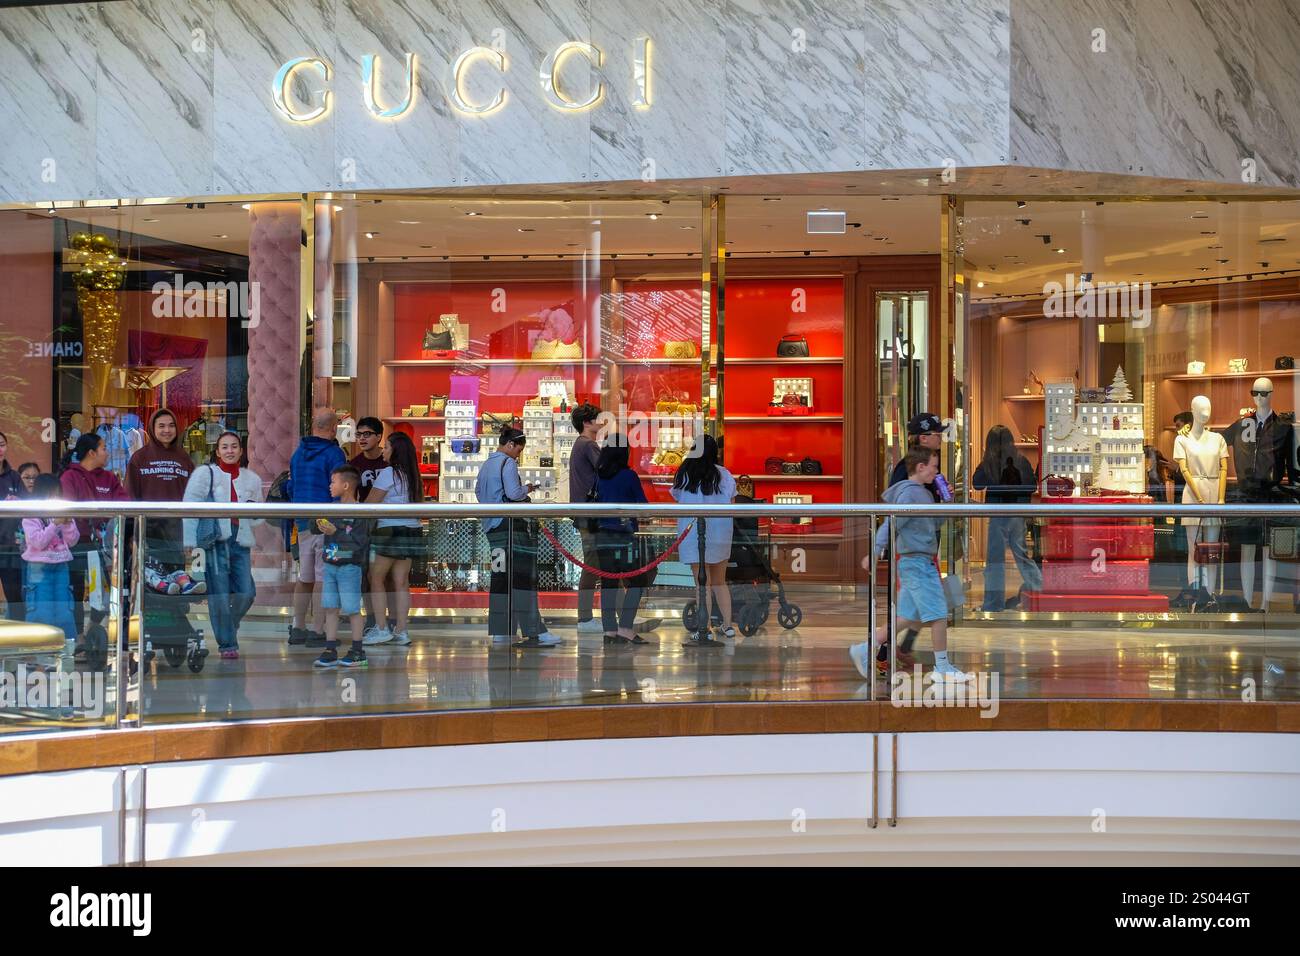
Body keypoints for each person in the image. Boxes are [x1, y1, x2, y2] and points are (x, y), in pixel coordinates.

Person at [851, 447, 970, 682]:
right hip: (917, 564)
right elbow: (891, 523)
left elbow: (933, 525)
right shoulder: (910, 494)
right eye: (934, 466)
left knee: (907, 618)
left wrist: (947, 503)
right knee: (937, 615)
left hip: (917, 563)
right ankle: (942, 667)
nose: (936, 472)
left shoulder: (922, 494)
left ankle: (863, 649)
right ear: (920, 467)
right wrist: (875, 551)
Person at [474, 426, 558, 647]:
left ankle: (502, 631)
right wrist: (527, 488)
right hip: (510, 526)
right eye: (519, 450)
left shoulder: (486, 464)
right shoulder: (507, 463)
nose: (518, 455)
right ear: (511, 444)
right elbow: (512, 493)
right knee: (522, 578)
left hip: (492, 527)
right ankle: (535, 631)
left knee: (501, 579)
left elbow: (478, 493)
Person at [183, 432, 264, 660]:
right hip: (215, 539)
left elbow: (259, 517)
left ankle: (227, 625)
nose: (229, 451)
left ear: (241, 451)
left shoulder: (252, 479)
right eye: (224, 447)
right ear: (217, 451)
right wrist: (189, 539)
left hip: (241, 539)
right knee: (219, 593)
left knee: (247, 592)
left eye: (234, 446)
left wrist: (252, 509)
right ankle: (227, 643)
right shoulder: (205, 474)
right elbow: (190, 505)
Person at [60, 431, 129, 647]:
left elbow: (124, 502)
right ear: (91, 453)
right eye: (103, 448)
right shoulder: (69, 477)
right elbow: (68, 511)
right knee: (77, 591)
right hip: (77, 544)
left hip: (105, 545)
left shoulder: (109, 478)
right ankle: (79, 637)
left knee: (103, 592)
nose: (107, 453)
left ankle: (92, 630)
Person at [286, 410, 346, 648]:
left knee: (305, 576)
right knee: (324, 577)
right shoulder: (334, 453)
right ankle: (318, 629)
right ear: (333, 428)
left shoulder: (298, 454)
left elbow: (291, 486)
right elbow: (341, 488)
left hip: (302, 522)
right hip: (327, 523)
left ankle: (298, 626)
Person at [671, 433, 738, 640]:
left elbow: (676, 497)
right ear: (714, 453)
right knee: (720, 582)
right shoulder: (724, 474)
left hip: (692, 533)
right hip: (721, 532)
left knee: (702, 584)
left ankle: (705, 628)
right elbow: (733, 505)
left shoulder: (685, 473)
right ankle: (727, 626)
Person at [126, 408, 198, 595]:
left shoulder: (184, 458)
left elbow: (193, 495)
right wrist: (132, 531)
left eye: (171, 425)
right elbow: (130, 496)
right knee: (153, 581)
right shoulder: (139, 458)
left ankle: (178, 619)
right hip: (147, 531)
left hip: (176, 531)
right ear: (152, 429)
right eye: (162, 426)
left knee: (177, 577)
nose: (167, 430)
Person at [971, 424, 1042, 611]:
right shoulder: (1021, 460)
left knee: (995, 561)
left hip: (998, 515)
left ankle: (993, 604)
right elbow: (1031, 487)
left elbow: (976, 484)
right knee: (1022, 556)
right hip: (1018, 514)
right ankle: (1039, 594)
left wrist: (986, 462)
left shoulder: (990, 464)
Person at [362, 431, 423, 647]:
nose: (383, 451)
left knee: (375, 577)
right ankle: (401, 630)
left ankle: (380, 628)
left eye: (386, 447)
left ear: (395, 451)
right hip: (412, 530)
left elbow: (370, 504)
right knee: (401, 581)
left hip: (389, 530)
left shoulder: (388, 473)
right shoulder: (413, 475)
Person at [592, 437, 650, 645]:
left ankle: (609, 630)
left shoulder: (600, 476)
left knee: (609, 582)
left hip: (601, 535)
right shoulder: (629, 476)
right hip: (624, 536)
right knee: (636, 581)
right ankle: (625, 626)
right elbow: (643, 506)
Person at [313, 465, 371, 668]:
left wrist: (334, 531)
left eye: (333, 481)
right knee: (330, 607)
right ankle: (330, 648)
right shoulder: (332, 508)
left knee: (352, 609)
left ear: (345, 485)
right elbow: (315, 526)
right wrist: (321, 525)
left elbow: (358, 543)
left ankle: (357, 650)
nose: (330, 486)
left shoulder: (360, 512)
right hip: (330, 564)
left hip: (349, 567)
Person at [21, 473, 79, 646]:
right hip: (39, 567)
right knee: (40, 609)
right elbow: (37, 541)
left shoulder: (62, 510)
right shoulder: (31, 514)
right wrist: (55, 524)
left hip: (61, 566)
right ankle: (37, 653)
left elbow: (72, 540)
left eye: (57, 493)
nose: (55, 497)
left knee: (64, 610)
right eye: (51, 493)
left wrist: (67, 524)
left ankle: (65, 650)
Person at [348, 416, 389, 635]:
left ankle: (390, 619)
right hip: (364, 527)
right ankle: (372, 618)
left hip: (389, 526)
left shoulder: (390, 461)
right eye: (358, 434)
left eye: (367, 434)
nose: (362, 439)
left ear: (379, 436)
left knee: (388, 576)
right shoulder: (354, 465)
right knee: (366, 575)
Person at [568, 402, 604, 633]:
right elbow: (607, 469)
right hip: (592, 514)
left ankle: (618, 611)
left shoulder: (580, 445)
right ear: (586, 422)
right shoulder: (588, 445)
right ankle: (585, 618)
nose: (602, 422)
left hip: (584, 514)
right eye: (598, 419)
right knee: (593, 563)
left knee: (598, 562)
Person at [0, 433, 28, 620]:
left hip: (9, 547)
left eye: (1, 444)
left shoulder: (14, 477)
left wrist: (17, 501)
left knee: (14, 596)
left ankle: (20, 641)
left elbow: (28, 506)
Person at [889, 412, 945, 500]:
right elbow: (899, 506)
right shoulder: (905, 467)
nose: (941, 438)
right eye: (938, 434)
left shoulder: (930, 460)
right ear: (923, 438)